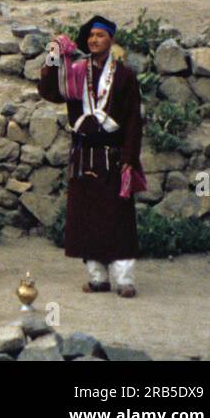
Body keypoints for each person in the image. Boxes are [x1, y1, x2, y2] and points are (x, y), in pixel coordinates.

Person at [39, 15, 144, 298]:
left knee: (118, 217)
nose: (94, 40)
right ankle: (98, 277)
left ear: (111, 39)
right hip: (84, 155)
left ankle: (124, 279)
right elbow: (48, 90)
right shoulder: (75, 72)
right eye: (91, 36)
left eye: (100, 35)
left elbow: (134, 119)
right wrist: (52, 56)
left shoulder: (124, 76)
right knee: (88, 217)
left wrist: (130, 159)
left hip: (113, 156)